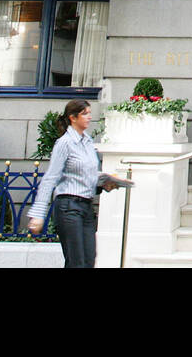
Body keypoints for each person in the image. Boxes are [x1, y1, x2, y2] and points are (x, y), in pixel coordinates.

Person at [27, 99, 130, 267]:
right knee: (77, 262)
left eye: (89, 113)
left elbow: (88, 174)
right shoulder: (64, 143)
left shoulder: (88, 143)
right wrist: (38, 214)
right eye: (85, 114)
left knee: (89, 260)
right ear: (73, 118)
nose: (89, 117)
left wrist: (105, 183)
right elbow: (50, 178)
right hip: (68, 207)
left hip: (86, 207)